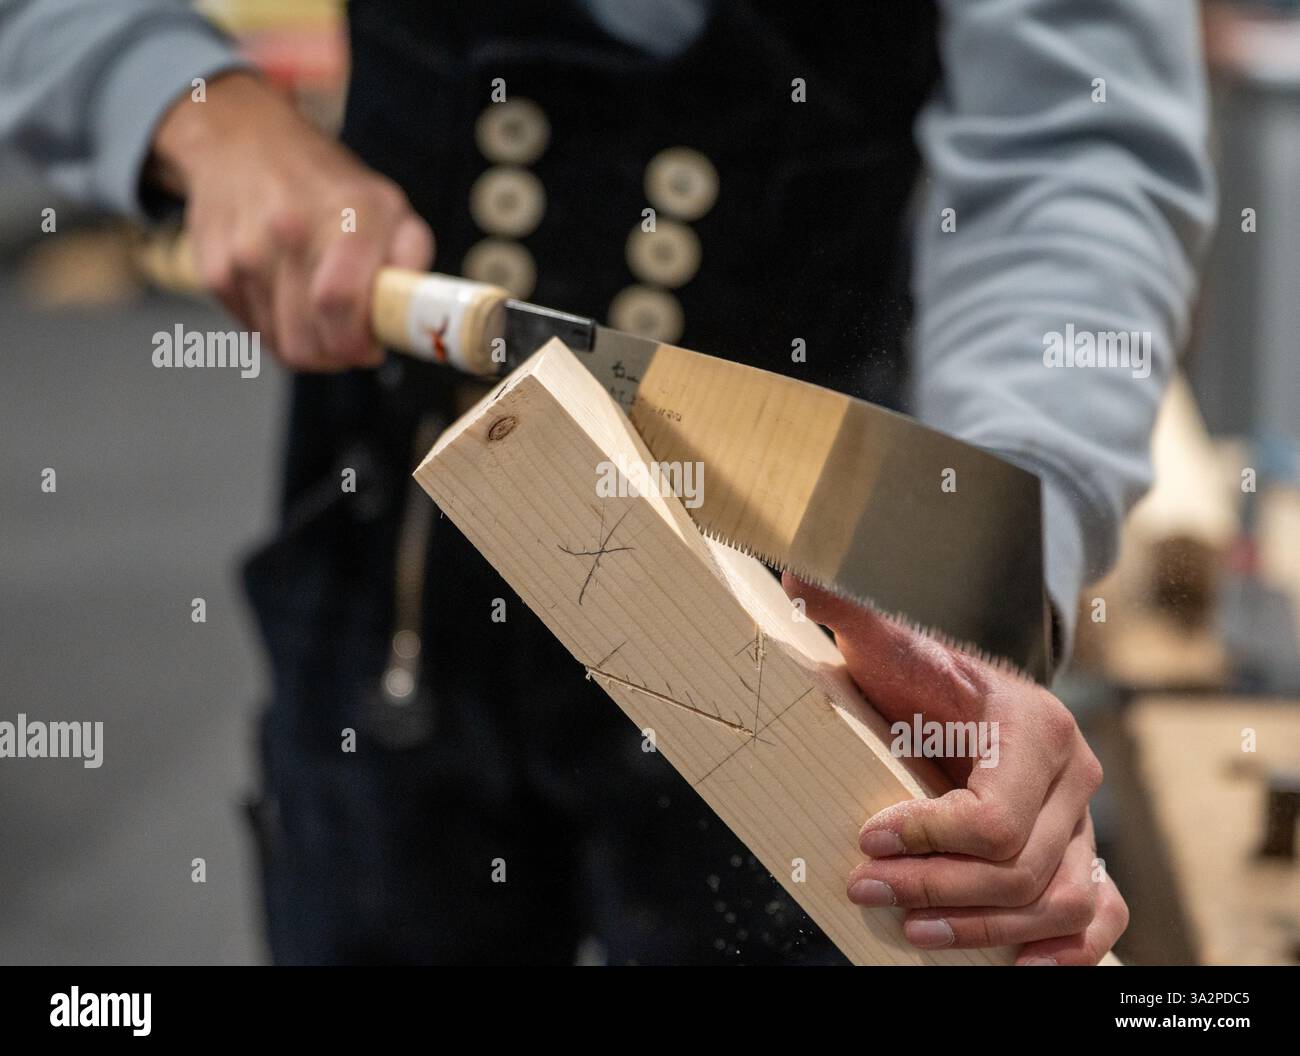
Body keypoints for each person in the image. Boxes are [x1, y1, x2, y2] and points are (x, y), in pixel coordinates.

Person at [0, 0, 1214, 964]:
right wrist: (191, 102)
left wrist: (979, 571)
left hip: (815, 617)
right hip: (394, 575)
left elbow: (1071, 154)